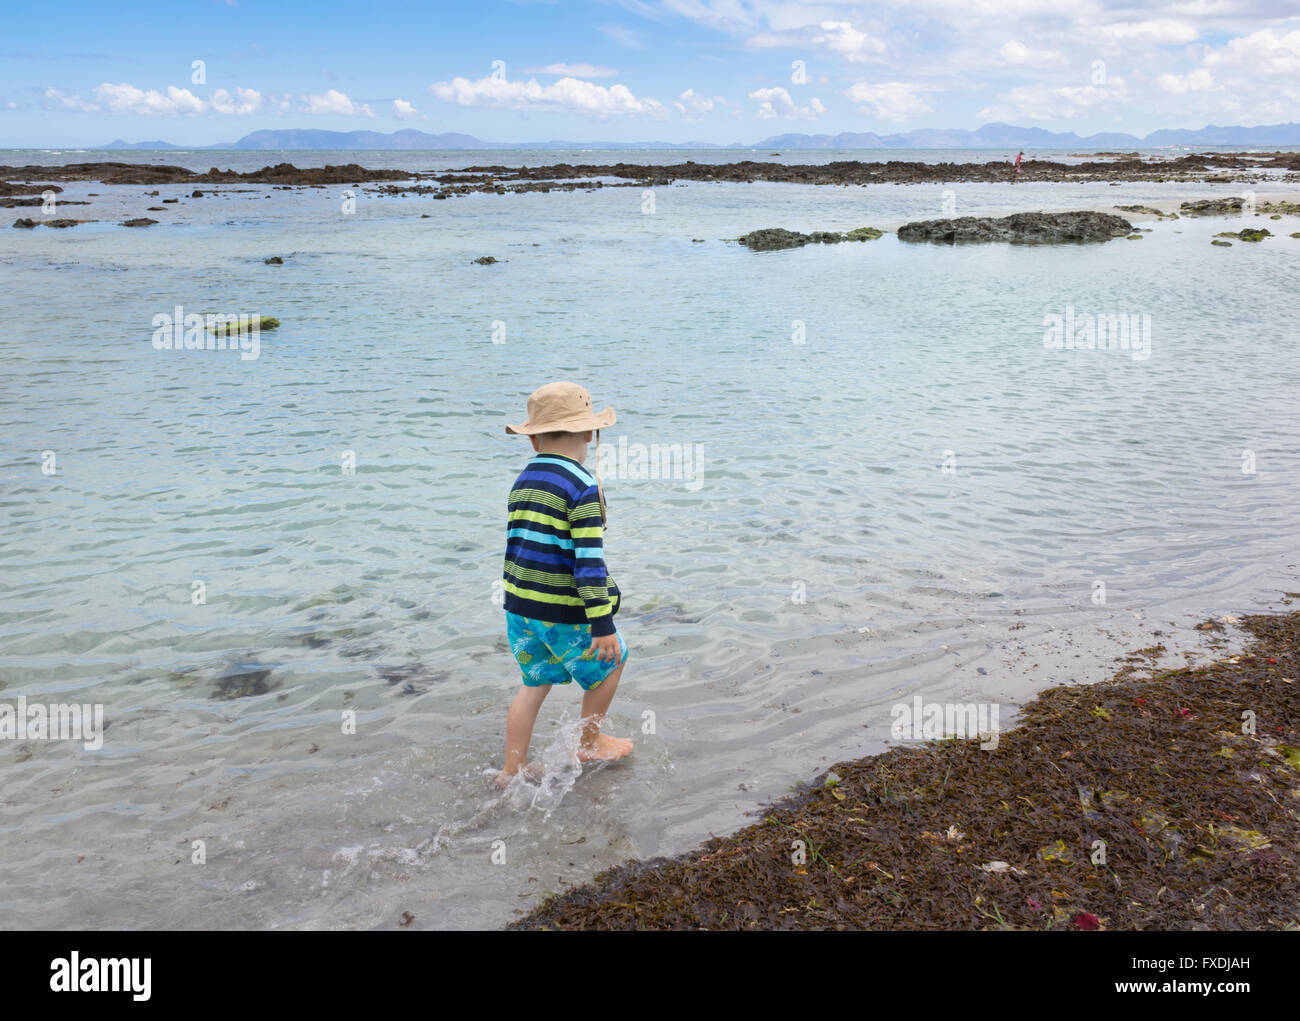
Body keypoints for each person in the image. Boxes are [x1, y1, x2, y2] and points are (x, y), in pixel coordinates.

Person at [497, 381, 632, 785]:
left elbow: (519, 544)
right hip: (562, 610)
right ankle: (589, 742)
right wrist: (603, 625)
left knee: (533, 685)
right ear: (590, 432)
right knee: (613, 661)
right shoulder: (581, 486)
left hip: (520, 607)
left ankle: (511, 769)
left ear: (532, 439)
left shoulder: (524, 479)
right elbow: (588, 563)